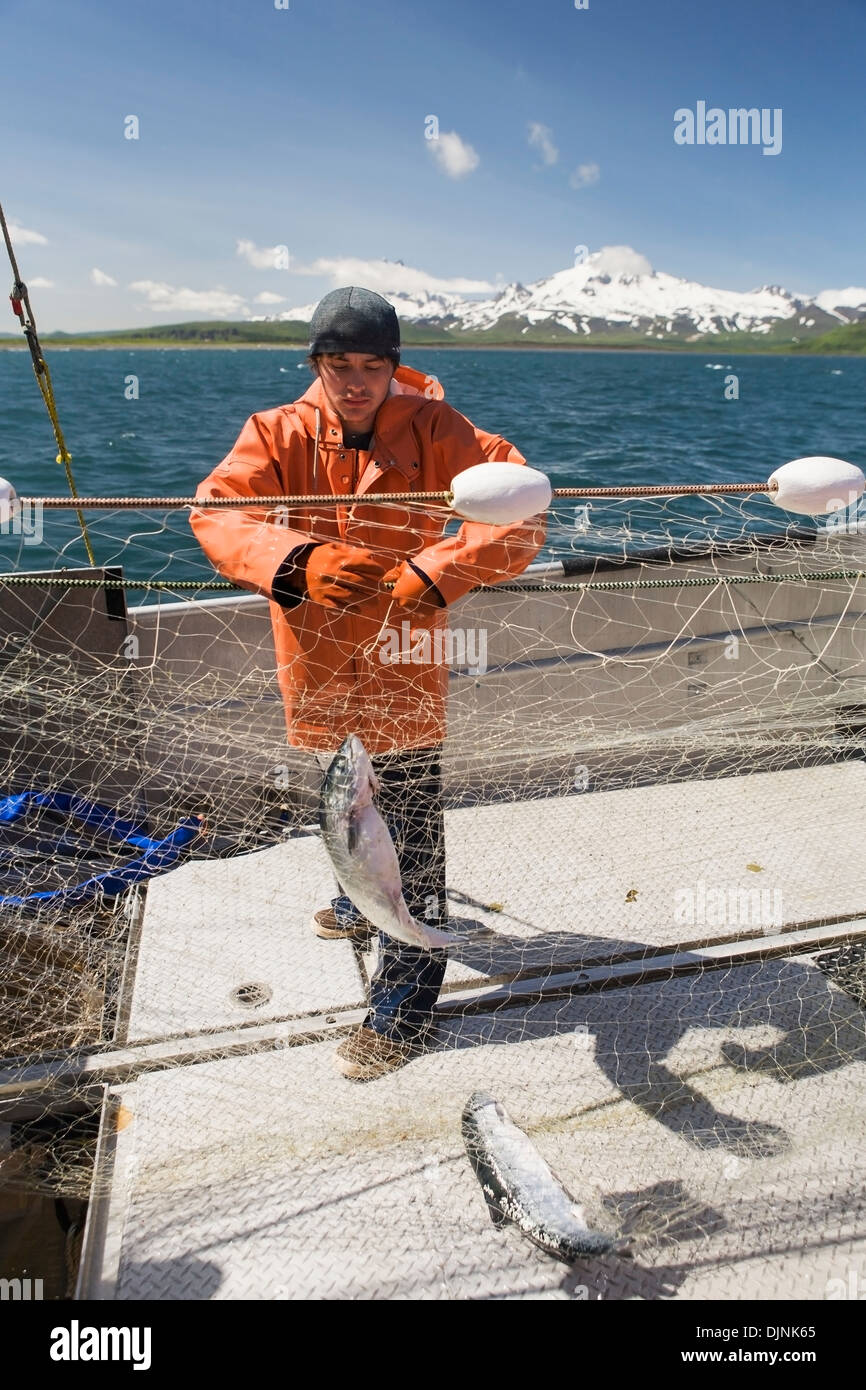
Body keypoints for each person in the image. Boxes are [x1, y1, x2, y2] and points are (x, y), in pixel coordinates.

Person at [190, 286, 545, 1079]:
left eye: (372, 365)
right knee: (340, 798)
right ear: (315, 363)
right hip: (316, 657)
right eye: (337, 363)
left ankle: (404, 1013)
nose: (354, 381)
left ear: (395, 367)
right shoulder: (272, 432)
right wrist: (297, 561)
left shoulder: (440, 427)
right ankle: (356, 904)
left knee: (410, 837)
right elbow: (215, 515)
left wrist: (444, 570)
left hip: (403, 660)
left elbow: (523, 504)